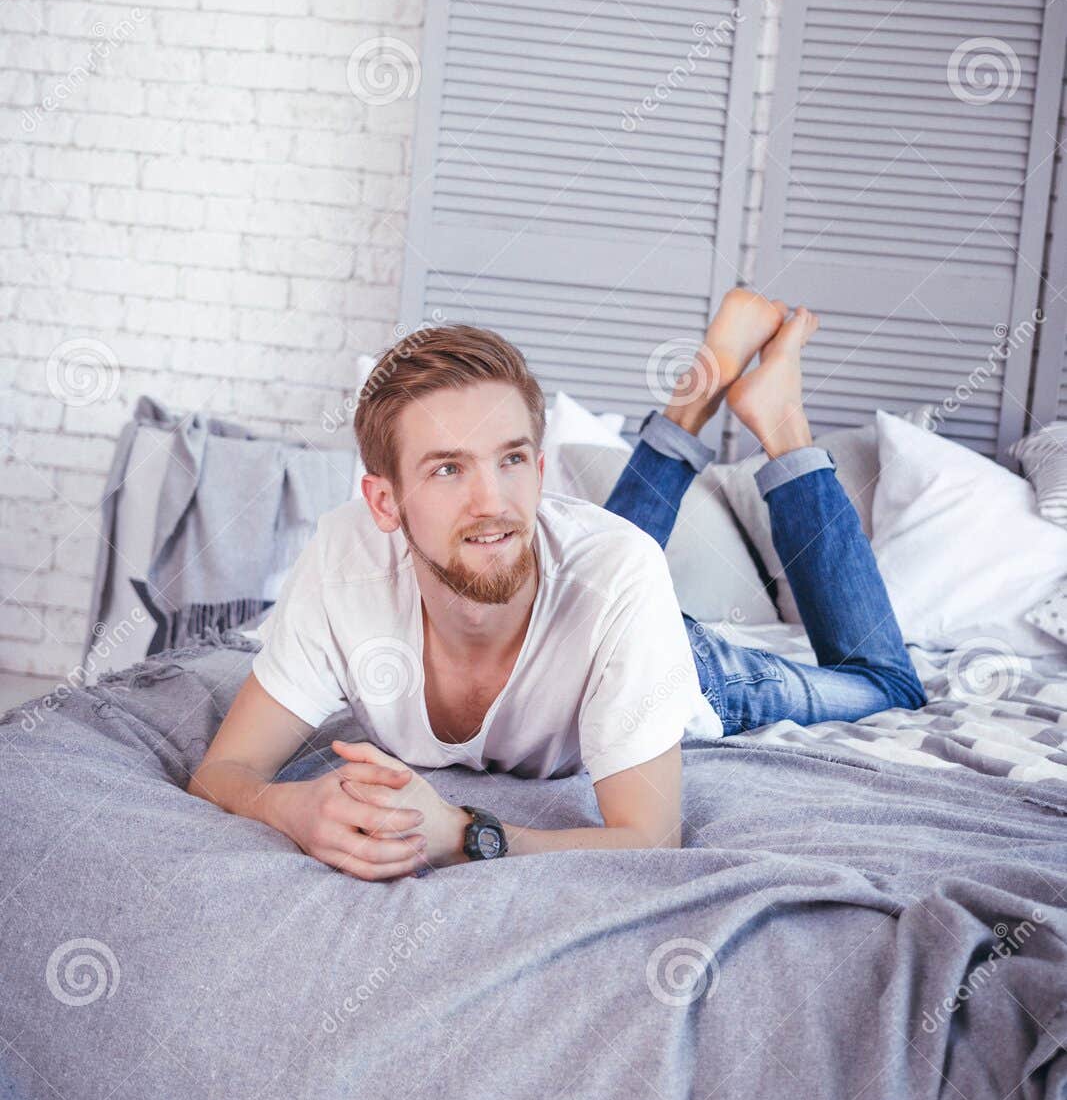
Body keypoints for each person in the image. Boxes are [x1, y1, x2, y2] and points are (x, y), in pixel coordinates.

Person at [187, 290, 924, 880]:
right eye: (447, 468)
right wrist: (286, 807)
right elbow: (224, 771)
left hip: (685, 668)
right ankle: (695, 392)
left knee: (886, 684)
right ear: (383, 502)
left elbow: (649, 839)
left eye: (512, 459)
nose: (490, 497)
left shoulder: (614, 574)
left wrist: (463, 835)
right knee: (539, 547)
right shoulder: (342, 562)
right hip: (579, 586)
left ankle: (781, 418)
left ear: (542, 471)